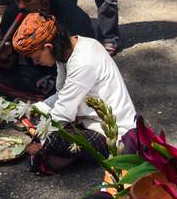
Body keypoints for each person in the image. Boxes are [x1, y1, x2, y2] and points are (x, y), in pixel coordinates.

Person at [10, 13, 134, 174]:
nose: (36, 62)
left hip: (112, 133)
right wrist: (33, 109)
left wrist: (38, 137)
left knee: (52, 139)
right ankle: (61, 156)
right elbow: (61, 95)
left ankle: (57, 155)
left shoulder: (83, 60)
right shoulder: (66, 52)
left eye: (36, 57)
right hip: (84, 122)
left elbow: (63, 112)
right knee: (43, 126)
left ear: (48, 47)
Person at [0, 0, 95, 101]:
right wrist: (5, 57)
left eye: (27, 0)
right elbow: (8, 67)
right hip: (33, 74)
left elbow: (85, 64)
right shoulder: (13, 12)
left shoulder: (73, 17)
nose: (21, 6)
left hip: (66, 75)